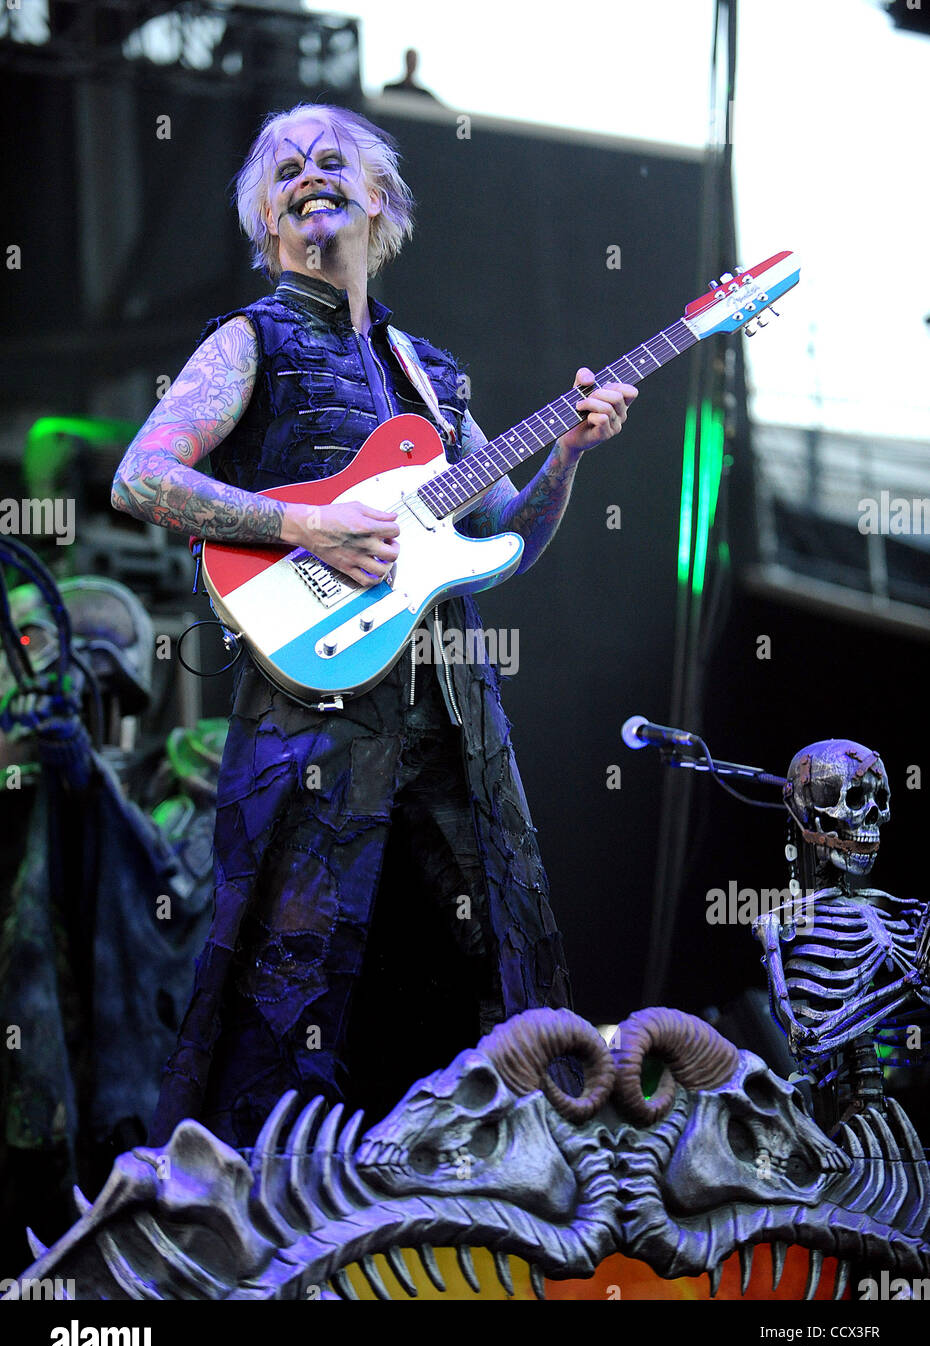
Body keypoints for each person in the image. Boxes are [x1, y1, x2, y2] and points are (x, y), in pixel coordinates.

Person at [111, 103, 637, 1147]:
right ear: (267, 220)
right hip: (315, 717)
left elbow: (508, 539)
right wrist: (305, 521)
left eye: (333, 158)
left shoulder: (433, 382)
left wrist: (569, 455)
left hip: (456, 717)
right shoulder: (247, 339)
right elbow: (142, 475)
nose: (311, 171)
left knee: (501, 953)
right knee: (289, 982)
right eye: (286, 167)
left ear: (381, 200)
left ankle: (494, 1206)